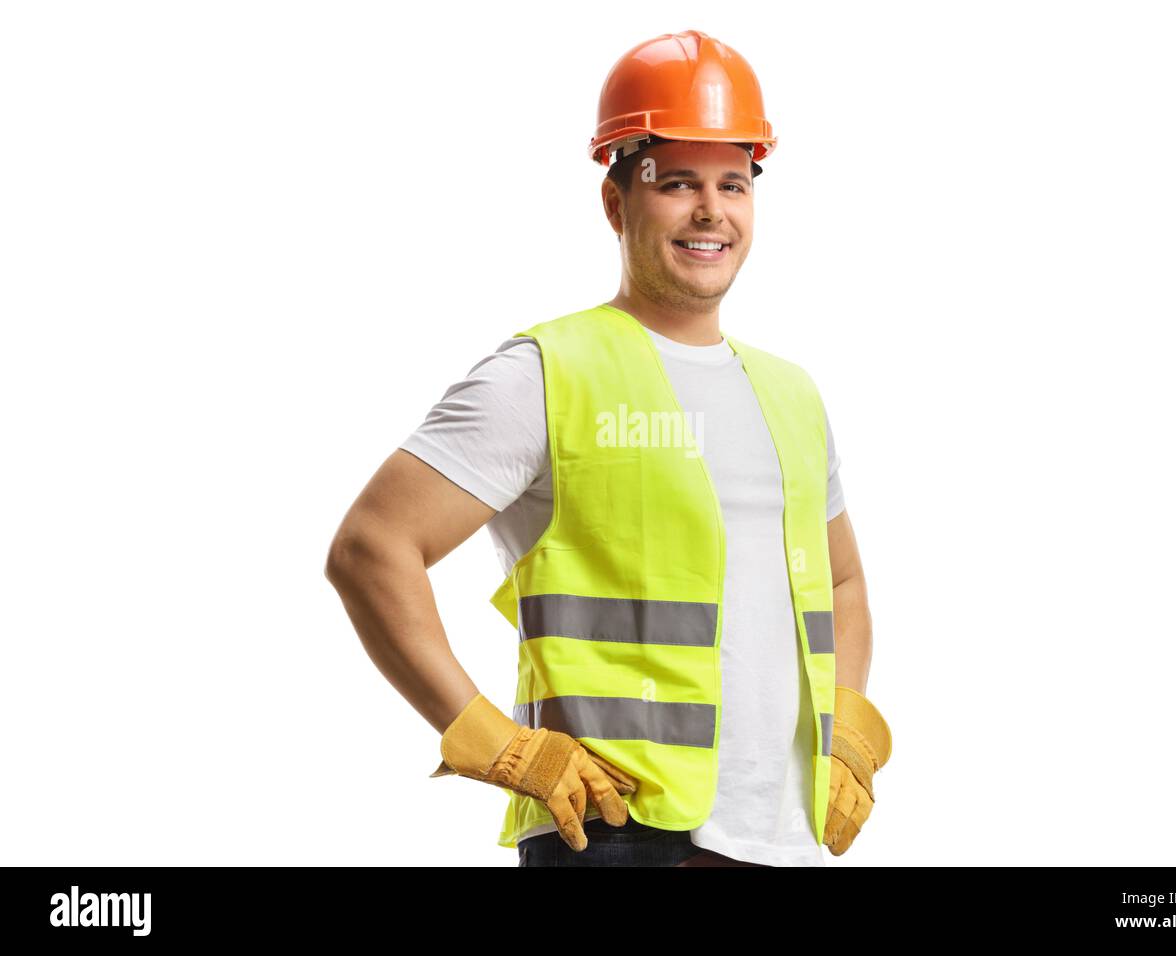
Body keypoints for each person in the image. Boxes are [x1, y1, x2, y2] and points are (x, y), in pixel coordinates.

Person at [325, 29, 891, 868]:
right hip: (614, 830)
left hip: (786, 838)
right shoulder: (546, 373)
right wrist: (494, 741)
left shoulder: (792, 394)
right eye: (678, 182)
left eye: (733, 184)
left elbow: (840, 581)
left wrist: (847, 724)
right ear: (617, 203)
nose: (711, 210)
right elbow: (372, 547)